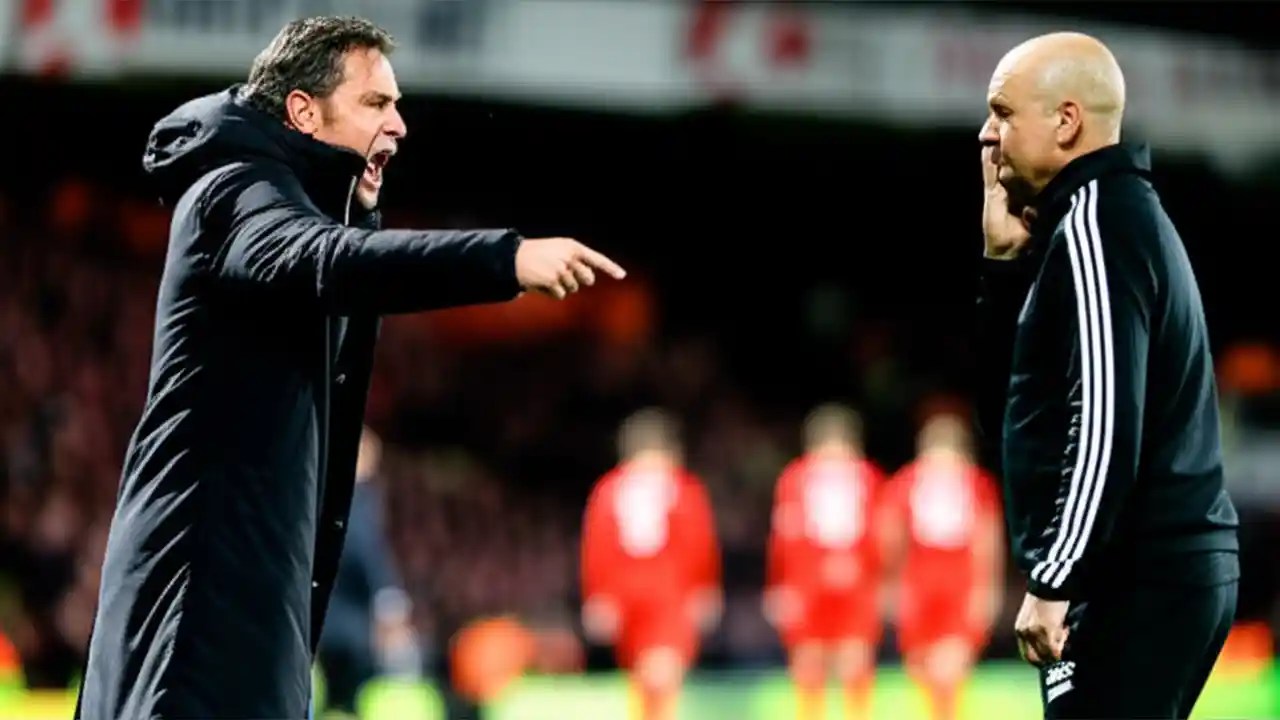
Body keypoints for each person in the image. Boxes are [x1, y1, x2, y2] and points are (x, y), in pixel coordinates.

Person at [75, 15, 625, 720]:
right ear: (304, 111)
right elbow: (327, 262)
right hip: (200, 591)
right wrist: (503, 258)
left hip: (238, 586)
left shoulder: (289, 200)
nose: (398, 125)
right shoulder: (237, 193)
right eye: (375, 103)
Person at [974, 31, 1240, 719]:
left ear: (1066, 121)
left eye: (1003, 112)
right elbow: (1026, 410)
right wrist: (1004, 270)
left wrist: (1058, 577)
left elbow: (1104, 416)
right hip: (1142, 569)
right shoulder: (1087, 224)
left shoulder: (1099, 224)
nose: (987, 135)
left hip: (1134, 574)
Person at [579, 408, 722, 720]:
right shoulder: (682, 488)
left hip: (625, 593)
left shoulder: (608, 489)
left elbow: (596, 546)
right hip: (669, 591)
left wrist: (599, 595)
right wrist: (705, 587)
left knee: (643, 676)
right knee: (663, 676)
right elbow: (699, 543)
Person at [763, 403, 886, 720]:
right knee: (808, 666)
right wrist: (780, 585)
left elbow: (881, 536)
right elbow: (783, 538)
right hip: (807, 586)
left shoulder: (868, 478)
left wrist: (876, 577)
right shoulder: (795, 478)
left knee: (854, 664)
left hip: (856, 586)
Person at [878, 412, 1003, 720]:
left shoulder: (976, 484)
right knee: (921, 666)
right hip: (919, 584)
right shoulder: (907, 483)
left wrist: (986, 589)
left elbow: (986, 540)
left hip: (958, 583)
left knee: (950, 667)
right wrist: (891, 583)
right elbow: (890, 537)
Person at [316, 426, 420, 718]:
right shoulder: (357, 500)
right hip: (346, 631)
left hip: (320, 622)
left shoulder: (321, 495)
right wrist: (390, 602)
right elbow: (368, 555)